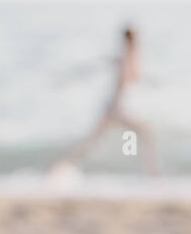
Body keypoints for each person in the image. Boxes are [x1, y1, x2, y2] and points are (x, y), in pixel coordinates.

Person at [54, 27, 158, 174]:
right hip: (117, 108)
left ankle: (62, 166)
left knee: (93, 141)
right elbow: (131, 77)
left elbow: (129, 76)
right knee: (146, 134)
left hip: (114, 107)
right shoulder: (128, 57)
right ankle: (153, 174)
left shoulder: (125, 57)